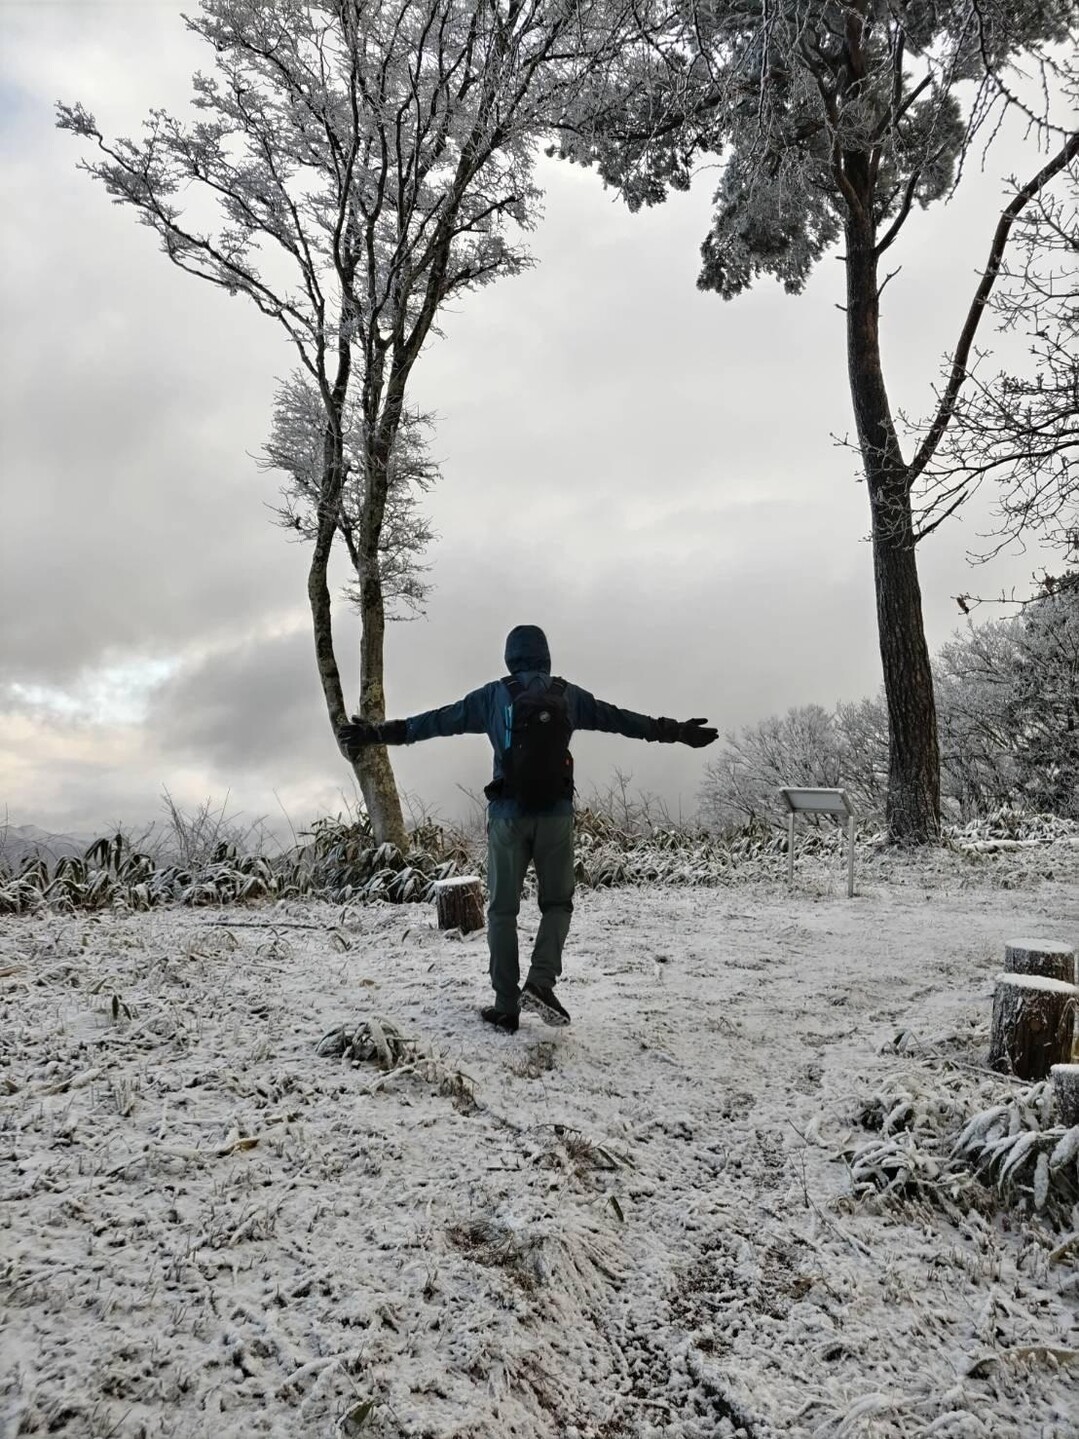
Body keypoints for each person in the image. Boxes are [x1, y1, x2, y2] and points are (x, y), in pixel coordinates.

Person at [337, 624, 717, 1034]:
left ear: (510, 657)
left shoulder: (492, 696)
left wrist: (375, 733)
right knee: (557, 905)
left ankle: (506, 1004)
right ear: (546, 656)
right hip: (556, 814)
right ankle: (540, 982)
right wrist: (677, 731)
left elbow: (434, 722)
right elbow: (623, 720)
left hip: (507, 816)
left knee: (502, 910)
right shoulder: (568, 696)